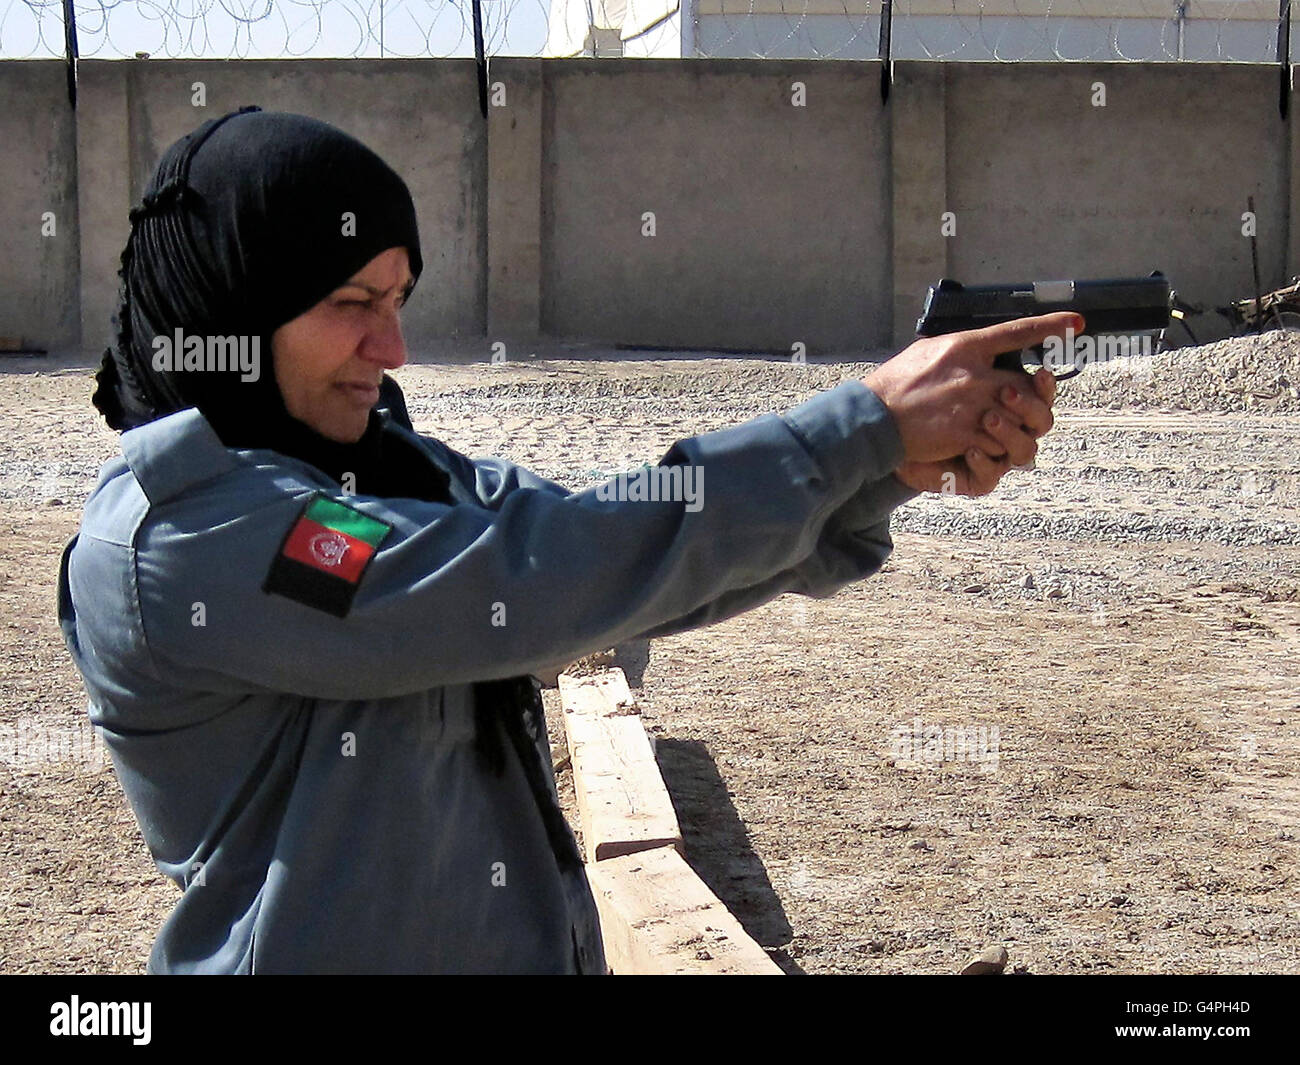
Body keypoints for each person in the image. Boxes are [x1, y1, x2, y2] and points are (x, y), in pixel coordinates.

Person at [57, 107, 1071, 975]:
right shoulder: (183, 536)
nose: (392, 347)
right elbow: (541, 578)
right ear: (233, 304)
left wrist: (881, 474)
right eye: (350, 304)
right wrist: (857, 424)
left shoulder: (391, 473)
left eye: (399, 300)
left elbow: (620, 565)